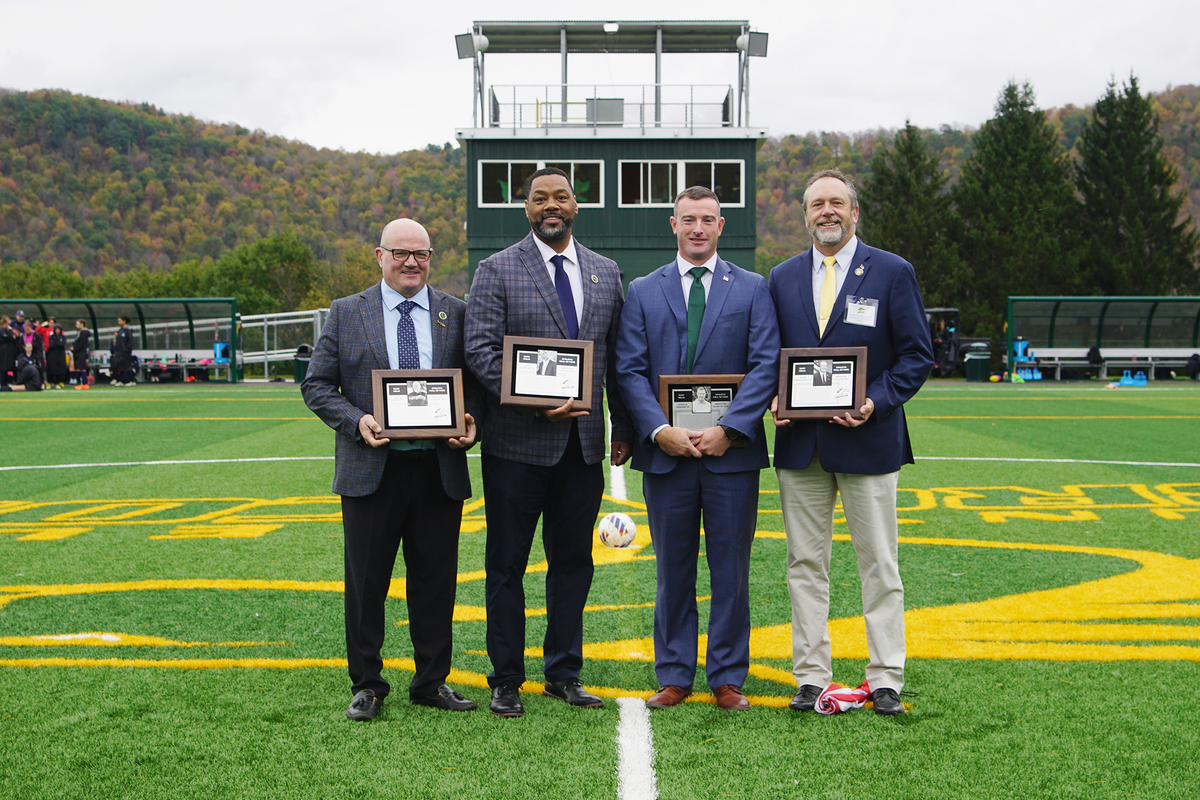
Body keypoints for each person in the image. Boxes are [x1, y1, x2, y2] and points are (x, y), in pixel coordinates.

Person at [464, 166, 634, 717]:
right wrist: (535, 401)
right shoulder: (496, 269)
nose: (551, 205)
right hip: (516, 446)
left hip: (582, 446)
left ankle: (563, 672)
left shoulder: (605, 272)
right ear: (527, 208)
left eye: (561, 196)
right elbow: (480, 352)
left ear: (576, 205)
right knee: (506, 565)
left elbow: (616, 360)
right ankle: (506, 678)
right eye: (540, 198)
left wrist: (623, 424)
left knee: (573, 564)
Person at [302, 218, 483, 721]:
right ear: (379, 256)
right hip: (370, 470)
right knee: (366, 584)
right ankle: (367, 684)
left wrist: (471, 421)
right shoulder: (346, 312)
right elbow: (317, 385)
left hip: (437, 470)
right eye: (400, 253)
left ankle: (431, 681)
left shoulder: (455, 313)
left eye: (420, 254)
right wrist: (355, 420)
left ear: (431, 258)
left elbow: (478, 384)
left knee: (436, 583)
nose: (411, 262)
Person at [768, 169, 933, 716]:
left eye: (837, 202)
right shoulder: (782, 277)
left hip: (869, 441)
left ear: (854, 212)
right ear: (805, 215)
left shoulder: (892, 271)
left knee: (879, 563)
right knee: (804, 564)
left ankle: (885, 676)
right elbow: (768, 354)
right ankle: (811, 676)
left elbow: (917, 356)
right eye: (817, 204)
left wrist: (874, 402)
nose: (827, 212)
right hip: (802, 445)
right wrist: (773, 396)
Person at [615, 186, 780, 711]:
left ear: (720, 226)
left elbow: (766, 364)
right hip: (667, 455)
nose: (698, 229)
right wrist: (656, 429)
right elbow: (629, 369)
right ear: (674, 225)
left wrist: (730, 428)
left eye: (708, 219)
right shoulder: (643, 290)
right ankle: (675, 674)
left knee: (731, 572)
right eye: (688, 219)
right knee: (673, 571)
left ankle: (727, 677)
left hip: (731, 456)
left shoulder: (752, 288)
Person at [110, 316, 135, 386]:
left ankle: (132, 381)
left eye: (120, 321)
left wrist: (127, 350)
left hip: (125, 353)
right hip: (119, 352)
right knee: (120, 367)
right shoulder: (120, 330)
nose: (118, 322)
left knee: (127, 366)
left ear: (124, 321)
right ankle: (121, 381)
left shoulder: (128, 331)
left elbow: (130, 342)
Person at [71, 320, 92, 389]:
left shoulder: (84, 333)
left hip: (81, 353)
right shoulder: (80, 332)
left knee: (82, 369)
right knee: (80, 368)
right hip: (80, 353)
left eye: (77, 324)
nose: (76, 325)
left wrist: (74, 349)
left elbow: (80, 344)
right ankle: (82, 383)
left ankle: (84, 384)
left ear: (82, 324)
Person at [0, 316, 15, 389]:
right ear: (4, 323)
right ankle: (3, 384)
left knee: (8, 368)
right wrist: (10, 332)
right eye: (8, 324)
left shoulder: (7, 330)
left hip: (8, 354)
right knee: (3, 369)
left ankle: (7, 383)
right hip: (3, 353)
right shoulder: (1, 331)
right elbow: (8, 338)